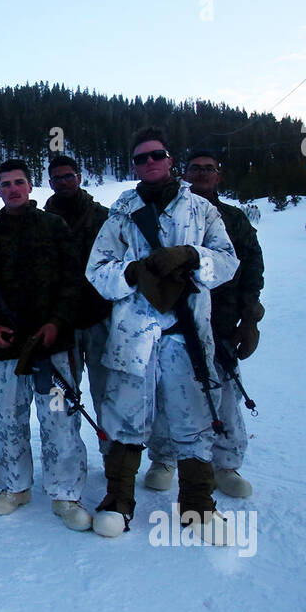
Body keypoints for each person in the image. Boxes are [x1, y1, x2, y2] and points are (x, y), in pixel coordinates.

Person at [85, 128, 239, 542]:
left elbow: (228, 260)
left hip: (185, 334)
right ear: (133, 166)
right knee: (126, 419)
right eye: (141, 158)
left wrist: (192, 255)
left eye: (157, 155)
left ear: (171, 159)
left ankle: (198, 508)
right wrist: (132, 273)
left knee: (194, 420)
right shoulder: (121, 211)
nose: (150, 163)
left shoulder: (201, 209)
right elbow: (97, 270)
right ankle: (117, 503)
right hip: (134, 336)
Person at [0, 159, 91, 531]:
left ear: (31, 187)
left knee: (58, 420)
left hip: (51, 348)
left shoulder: (54, 227)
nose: (13, 189)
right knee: (7, 419)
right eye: (6, 184)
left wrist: (57, 322)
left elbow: (74, 280)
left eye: (19, 182)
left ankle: (66, 493)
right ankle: (14, 486)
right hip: (6, 351)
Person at [143, 151, 264, 499]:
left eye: (208, 169)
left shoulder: (233, 219)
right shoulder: (168, 213)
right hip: (174, 320)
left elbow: (251, 267)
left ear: (218, 175)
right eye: (195, 169)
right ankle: (164, 458)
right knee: (167, 389)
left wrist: (250, 317)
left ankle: (225, 464)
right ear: (185, 173)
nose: (201, 174)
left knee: (223, 391)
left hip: (221, 319)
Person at [43, 155, 112, 452]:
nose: (63, 182)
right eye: (57, 178)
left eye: (68, 176)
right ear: (49, 183)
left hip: (99, 318)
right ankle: (66, 460)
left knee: (107, 392)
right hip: (61, 323)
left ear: (80, 177)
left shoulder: (103, 217)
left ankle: (114, 458)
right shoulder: (42, 221)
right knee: (60, 397)